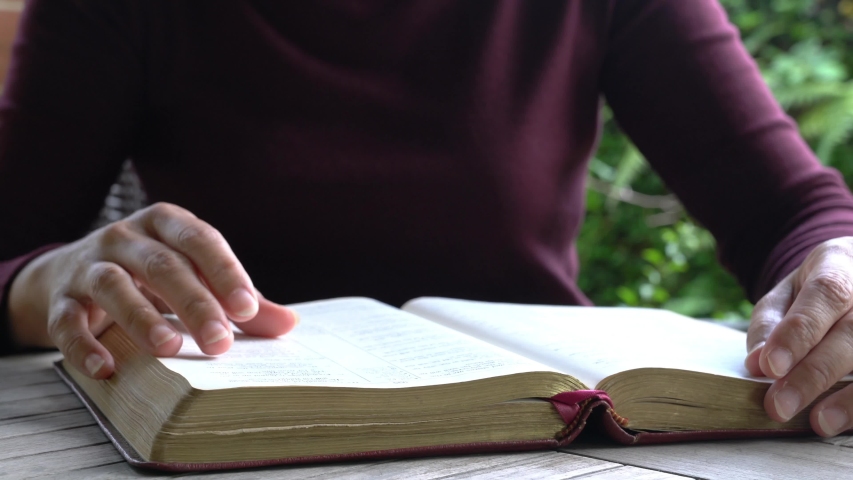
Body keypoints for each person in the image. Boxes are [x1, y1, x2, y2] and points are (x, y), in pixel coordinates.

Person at [2, 0, 853, 438]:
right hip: (233, 434)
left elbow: (791, 206)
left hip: (560, 436)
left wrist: (836, 267)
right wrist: (50, 280)